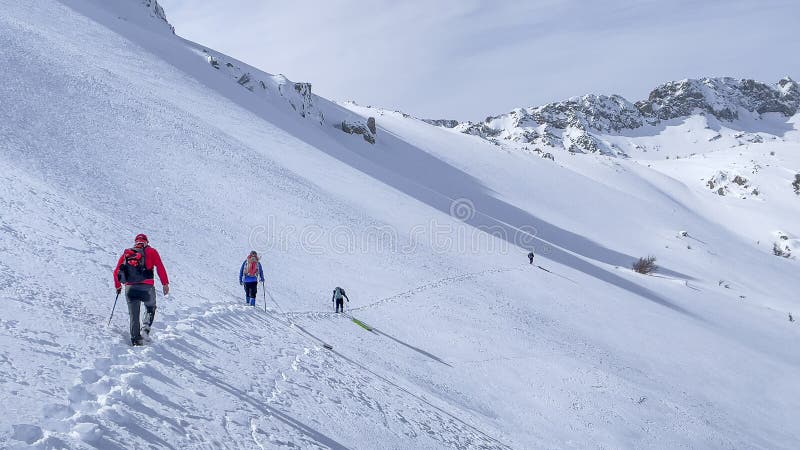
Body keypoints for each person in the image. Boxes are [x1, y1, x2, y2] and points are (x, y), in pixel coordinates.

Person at [113, 234, 169, 346]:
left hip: (130, 288)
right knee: (150, 307)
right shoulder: (152, 251)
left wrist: (118, 286)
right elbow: (160, 267)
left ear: (135, 242)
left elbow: (116, 271)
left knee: (134, 315)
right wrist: (165, 283)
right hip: (146, 287)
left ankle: (136, 341)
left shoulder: (128, 253)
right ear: (146, 242)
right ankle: (145, 329)